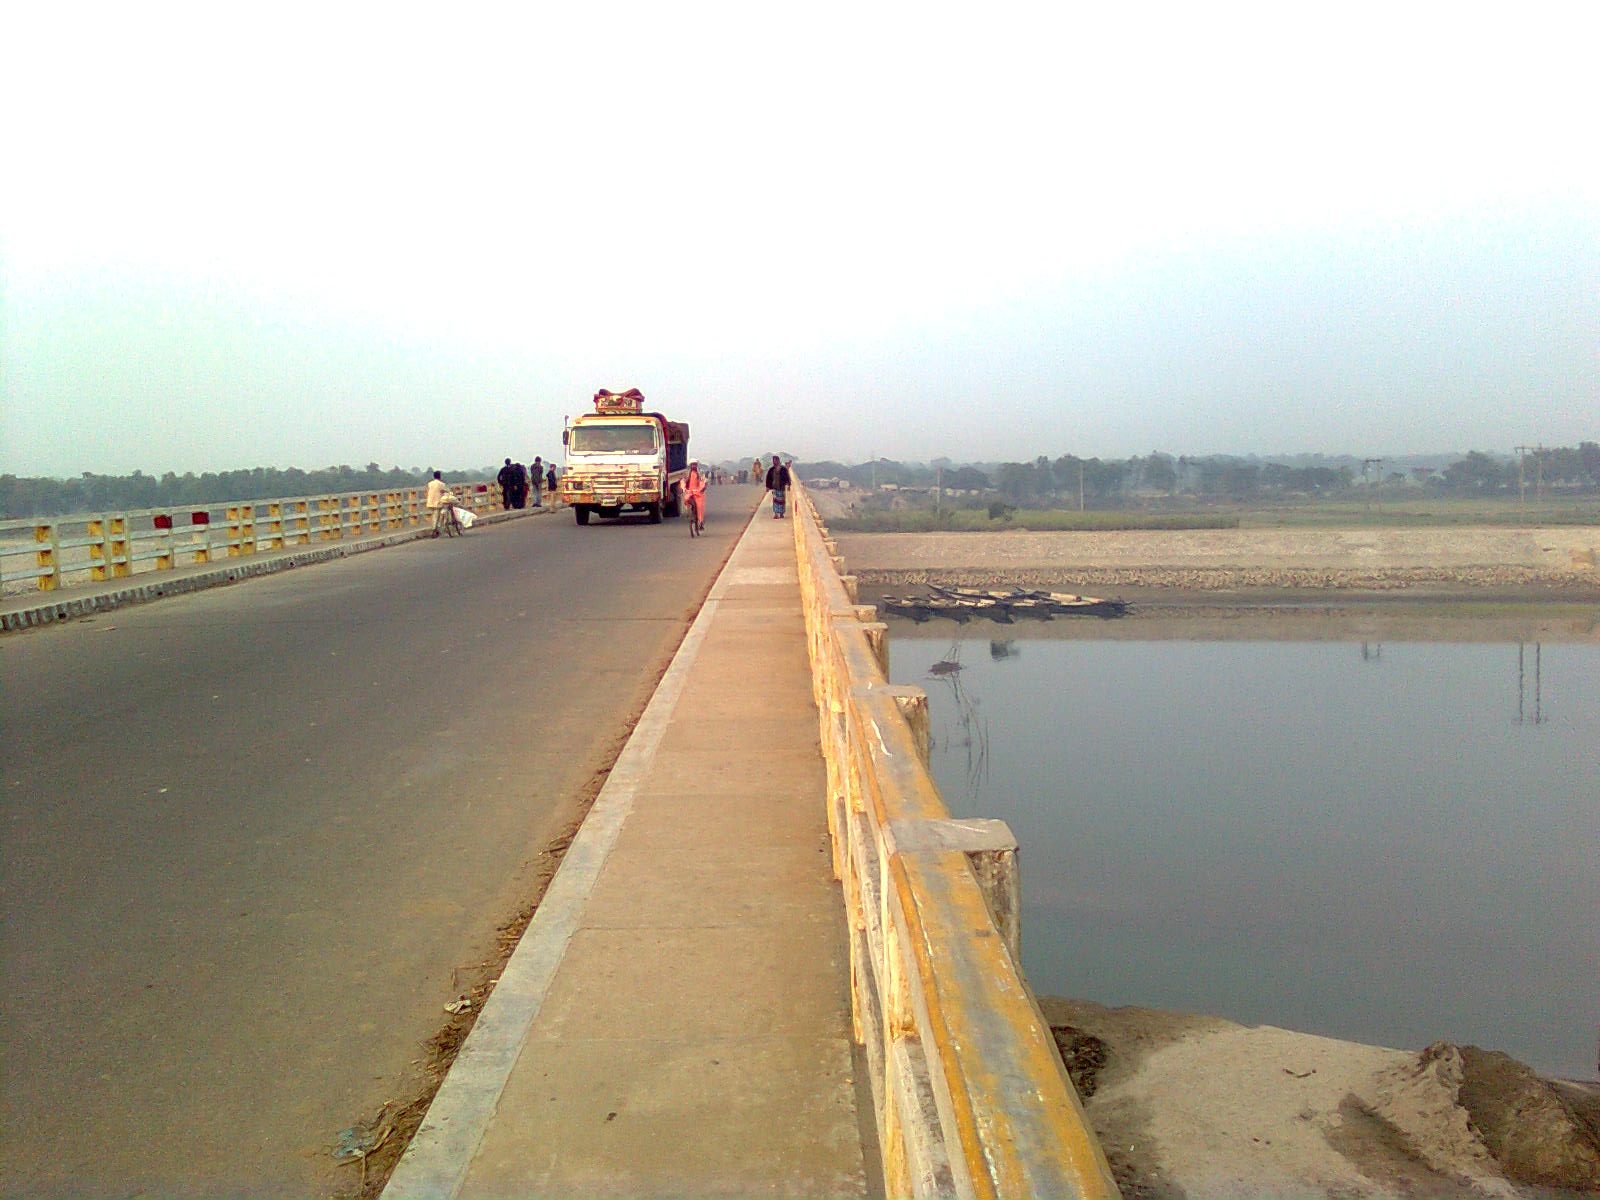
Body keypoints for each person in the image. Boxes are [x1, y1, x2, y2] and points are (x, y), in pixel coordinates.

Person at [425, 470, 455, 536]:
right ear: (440, 476)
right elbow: (446, 490)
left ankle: (436, 527)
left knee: (434, 515)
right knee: (437, 514)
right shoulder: (441, 484)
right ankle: (434, 529)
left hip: (430, 502)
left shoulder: (430, 483)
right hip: (437, 502)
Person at [684, 460, 707, 536]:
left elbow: (702, 483)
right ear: (690, 466)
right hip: (690, 493)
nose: (693, 466)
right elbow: (683, 482)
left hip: (698, 493)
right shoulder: (687, 473)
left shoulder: (699, 473)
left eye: (695, 465)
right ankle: (689, 513)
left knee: (699, 506)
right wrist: (683, 487)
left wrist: (702, 488)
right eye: (692, 465)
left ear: (697, 465)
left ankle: (700, 522)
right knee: (687, 500)